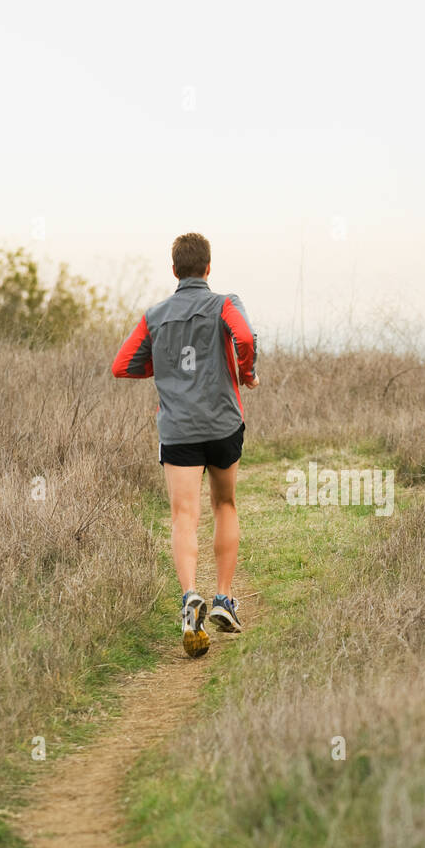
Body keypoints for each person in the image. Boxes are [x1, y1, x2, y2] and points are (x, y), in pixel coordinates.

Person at [111, 232, 258, 657]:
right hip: (222, 423)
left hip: (177, 429)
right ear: (208, 268)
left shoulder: (155, 314)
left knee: (183, 515)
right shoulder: (225, 303)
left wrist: (168, 373)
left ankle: (190, 595)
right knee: (224, 505)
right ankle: (225, 600)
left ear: (174, 270)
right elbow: (245, 339)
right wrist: (245, 374)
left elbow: (122, 366)